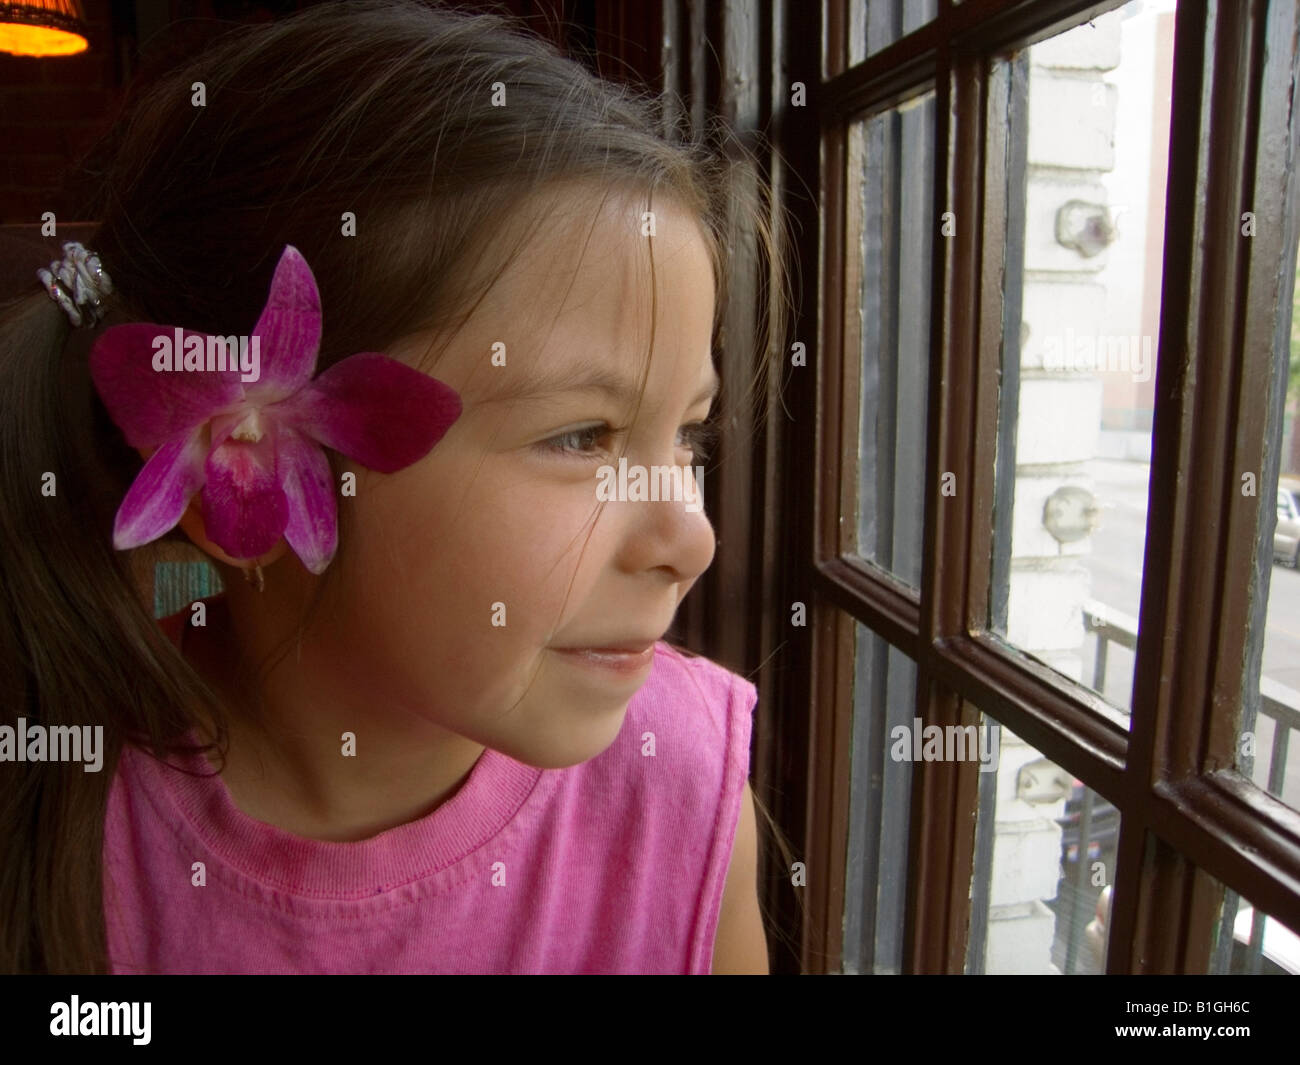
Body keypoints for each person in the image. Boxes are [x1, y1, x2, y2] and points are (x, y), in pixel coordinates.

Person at [0, 0, 793, 974]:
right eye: (581, 436)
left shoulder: (682, 793)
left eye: (688, 434)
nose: (692, 539)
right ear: (229, 482)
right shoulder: (60, 822)